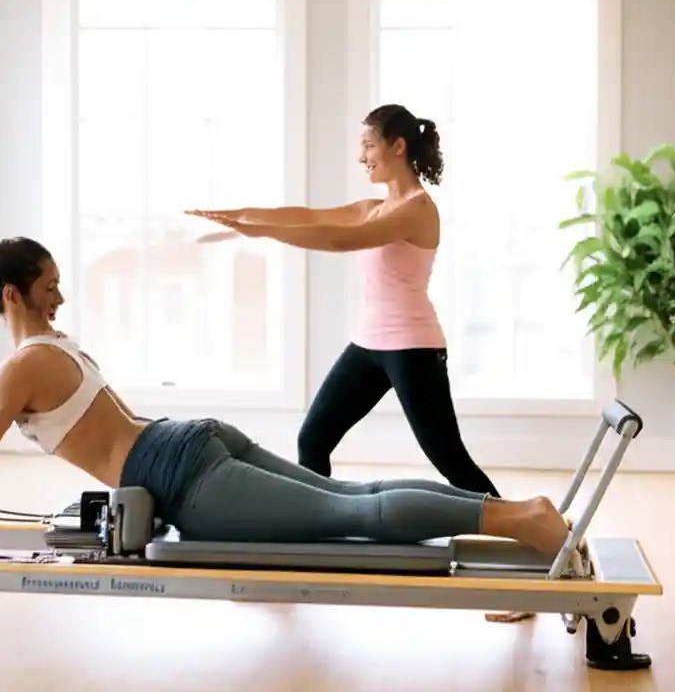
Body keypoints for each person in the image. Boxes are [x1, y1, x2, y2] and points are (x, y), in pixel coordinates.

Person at [0, 224, 570, 562]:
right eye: (49, 288)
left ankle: (521, 525)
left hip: (182, 474)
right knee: (356, 497)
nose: (61, 297)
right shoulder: (54, 349)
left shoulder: (19, 367)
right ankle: (520, 510)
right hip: (191, 440)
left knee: (359, 519)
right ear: (13, 294)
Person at [186, 103, 500, 497]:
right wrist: (241, 214)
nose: (361, 156)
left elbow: (338, 240)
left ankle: (531, 532)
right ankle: (319, 526)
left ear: (398, 147)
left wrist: (262, 232)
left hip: (413, 347)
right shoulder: (375, 207)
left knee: (450, 459)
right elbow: (310, 217)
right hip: (368, 346)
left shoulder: (416, 210)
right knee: (313, 439)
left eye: (369, 146)